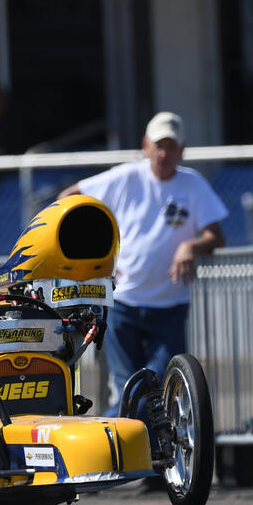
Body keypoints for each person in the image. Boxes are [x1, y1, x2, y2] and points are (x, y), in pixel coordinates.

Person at [58, 111, 227, 414]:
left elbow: (216, 236)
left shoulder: (193, 184)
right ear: (145, 145)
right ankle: (121, 453)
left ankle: (124, 451)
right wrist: (98, 256)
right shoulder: (126, 177)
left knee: (156, 386)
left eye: (171, 146)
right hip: (124, 304)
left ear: (182, 149)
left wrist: (190, 245)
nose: (164, 154)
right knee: (130, 388)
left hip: (170, 306)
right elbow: (69, 200)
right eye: (159, 145)